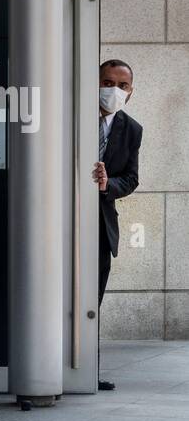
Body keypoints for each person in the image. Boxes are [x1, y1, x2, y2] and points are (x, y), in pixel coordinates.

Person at [91, 58, 142, 391]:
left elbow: (132, 178)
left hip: (100, 225)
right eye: (107, 83)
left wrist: (108, 185)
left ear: (131, 92)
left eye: (121, 86)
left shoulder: (132, 129)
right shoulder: (71, 116)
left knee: (90, 301)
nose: (113, 91)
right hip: (61, 220)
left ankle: (84, 369)